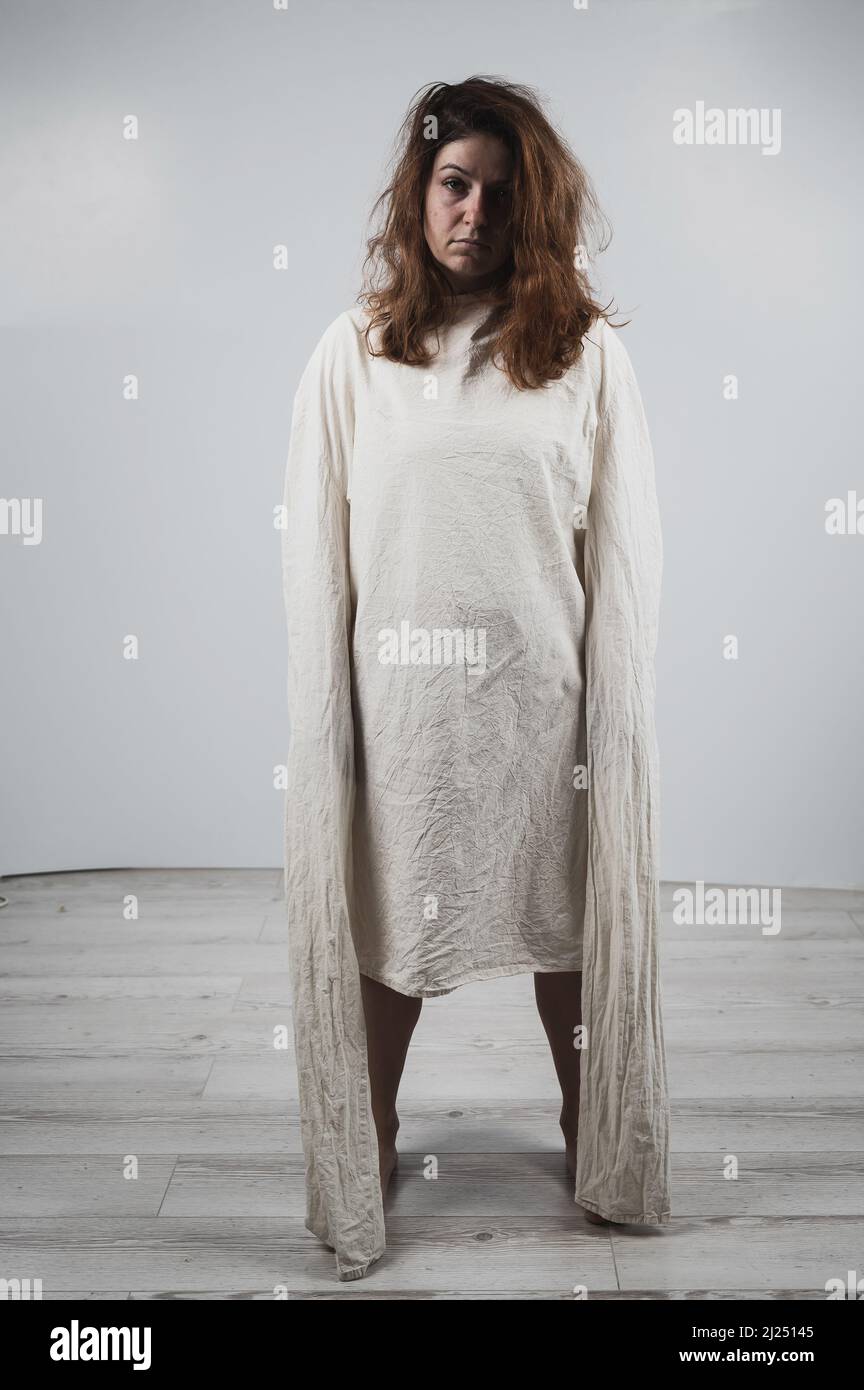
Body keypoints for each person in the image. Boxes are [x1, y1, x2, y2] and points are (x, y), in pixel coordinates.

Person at [281, 76, 671, 1282]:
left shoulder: (584, 354)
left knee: (566, 929)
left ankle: (595, 1133)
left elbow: (627, 551)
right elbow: (316, 567)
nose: (474, 210)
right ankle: (371, 1141)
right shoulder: (351, 354)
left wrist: (618, 722)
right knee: (389, 929)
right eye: (455, 183)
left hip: (542, 715)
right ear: (420, 192)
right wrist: (326, 730)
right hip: (404, 719)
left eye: (502, 192)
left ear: (532, 206)